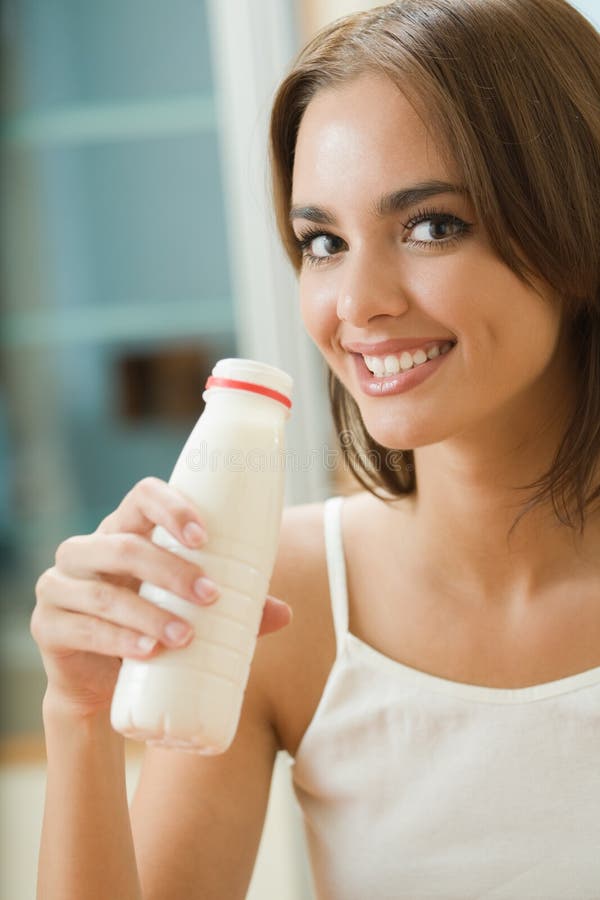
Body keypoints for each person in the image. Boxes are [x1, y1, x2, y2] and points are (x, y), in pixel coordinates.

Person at [31, 0, 600, 897]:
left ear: (576, 219)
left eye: (432, 225)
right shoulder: (276, 598)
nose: (356, 303)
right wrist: (78, 714)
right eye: (323, 242)